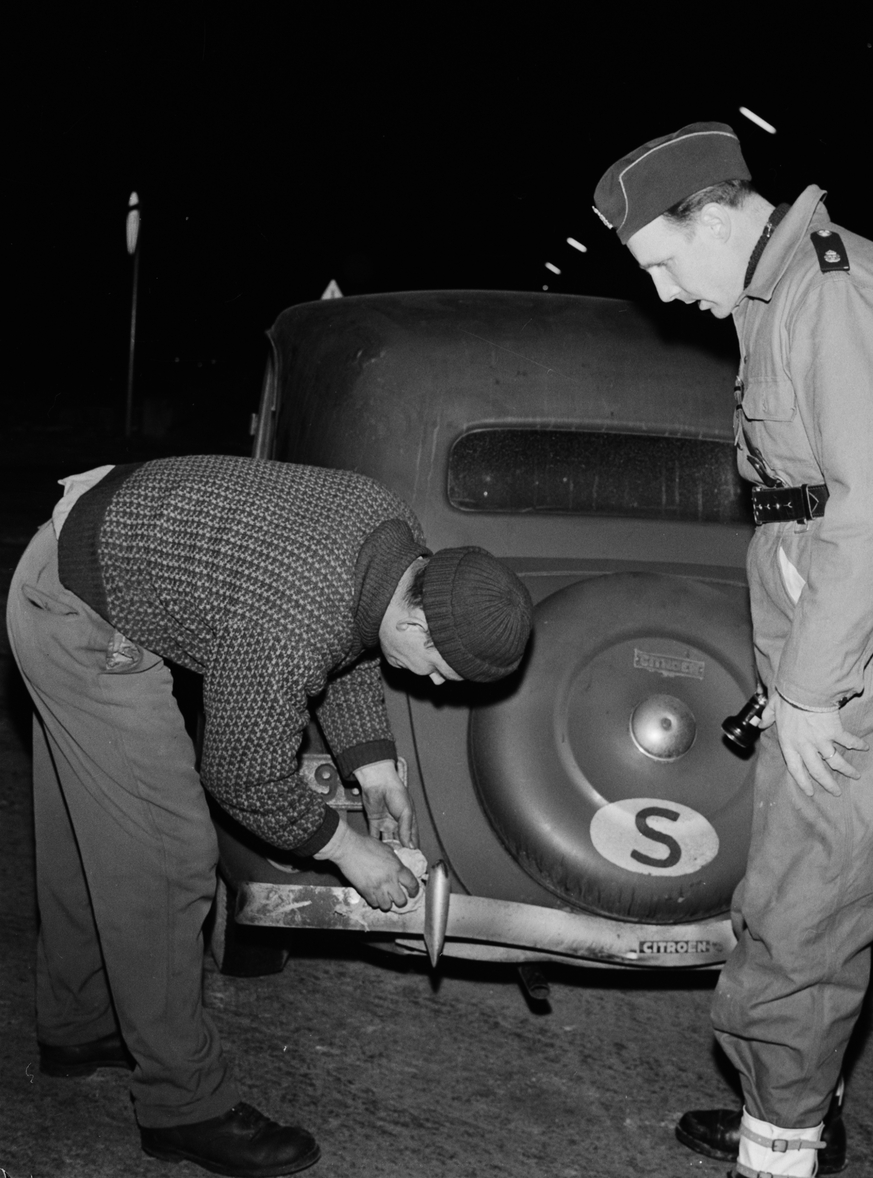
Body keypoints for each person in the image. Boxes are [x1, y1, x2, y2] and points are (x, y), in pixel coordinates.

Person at [593, 124, 873, 1177]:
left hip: (859, 654)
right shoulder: (786, 292)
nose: (666, 294)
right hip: (837, 634)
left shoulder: (831, 296)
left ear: (713, 216)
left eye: (664, 263)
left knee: (802, 916)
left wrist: (807, 691)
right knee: (796, 890)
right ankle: (794, 1107)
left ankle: (780, 1151)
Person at [6, 454, 533, 1178]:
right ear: (419, 606)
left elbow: (352, 643)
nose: (439, 684)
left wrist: (374, 766)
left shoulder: (397, 542)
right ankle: (183, 1106)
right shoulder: (295, 608)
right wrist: (348, 850)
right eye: (441, 665)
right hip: (79, 612)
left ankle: (80, 1024)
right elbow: (242, 775)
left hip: (90, 545)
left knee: (91, 836)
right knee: (169, 856)